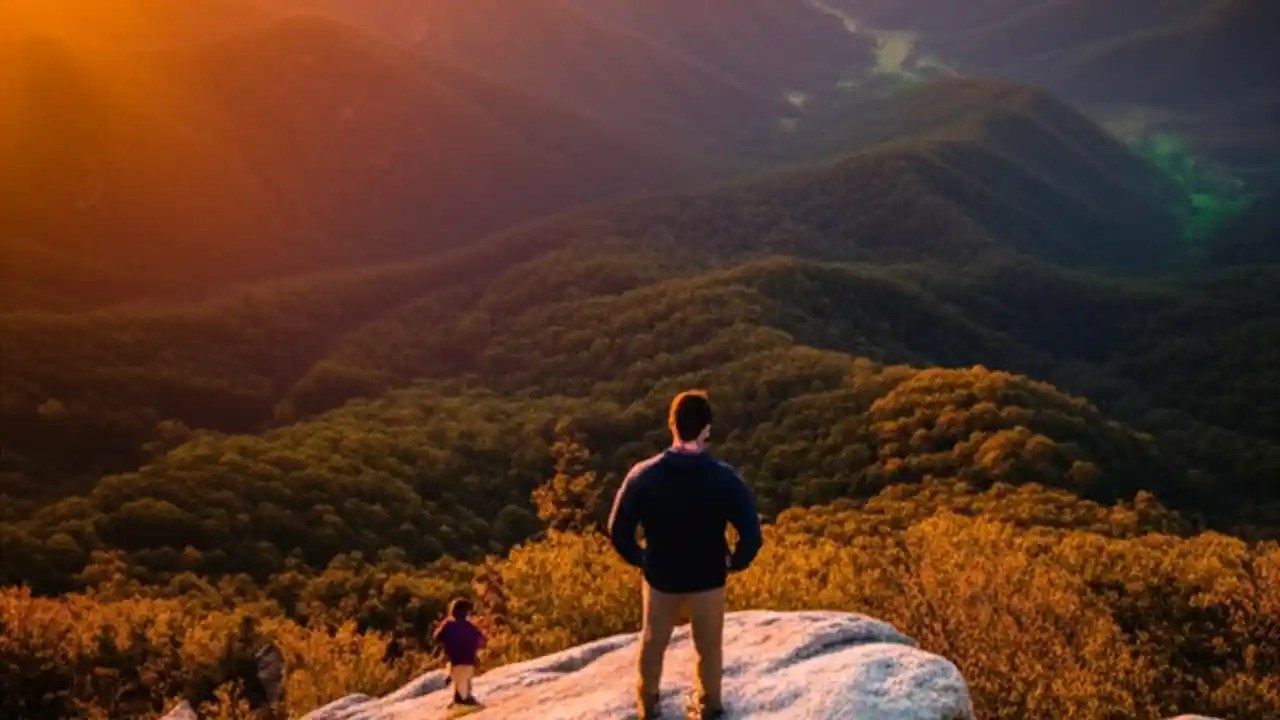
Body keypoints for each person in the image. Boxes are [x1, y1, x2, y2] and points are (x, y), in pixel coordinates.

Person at [608, 390, 763, 720]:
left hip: (661, 578)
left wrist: (641, 558)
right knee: (708, 649)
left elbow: (618, 530)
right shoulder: (724, 478)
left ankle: (648, 706)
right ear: (707, 429)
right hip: (708, 577)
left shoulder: (644, 476)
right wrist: (734, 562)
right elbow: (751, 534)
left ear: (671, 425)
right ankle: (708, 706)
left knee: (652, 644)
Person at [433, 598, 486, 707]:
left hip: (455, 662)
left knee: (462, 693)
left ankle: (459, 705)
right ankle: (464, 705)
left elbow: (437, 637)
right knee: (464, 691)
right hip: (469, 662)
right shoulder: (470, 627)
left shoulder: (448, 625)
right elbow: (482, 640)